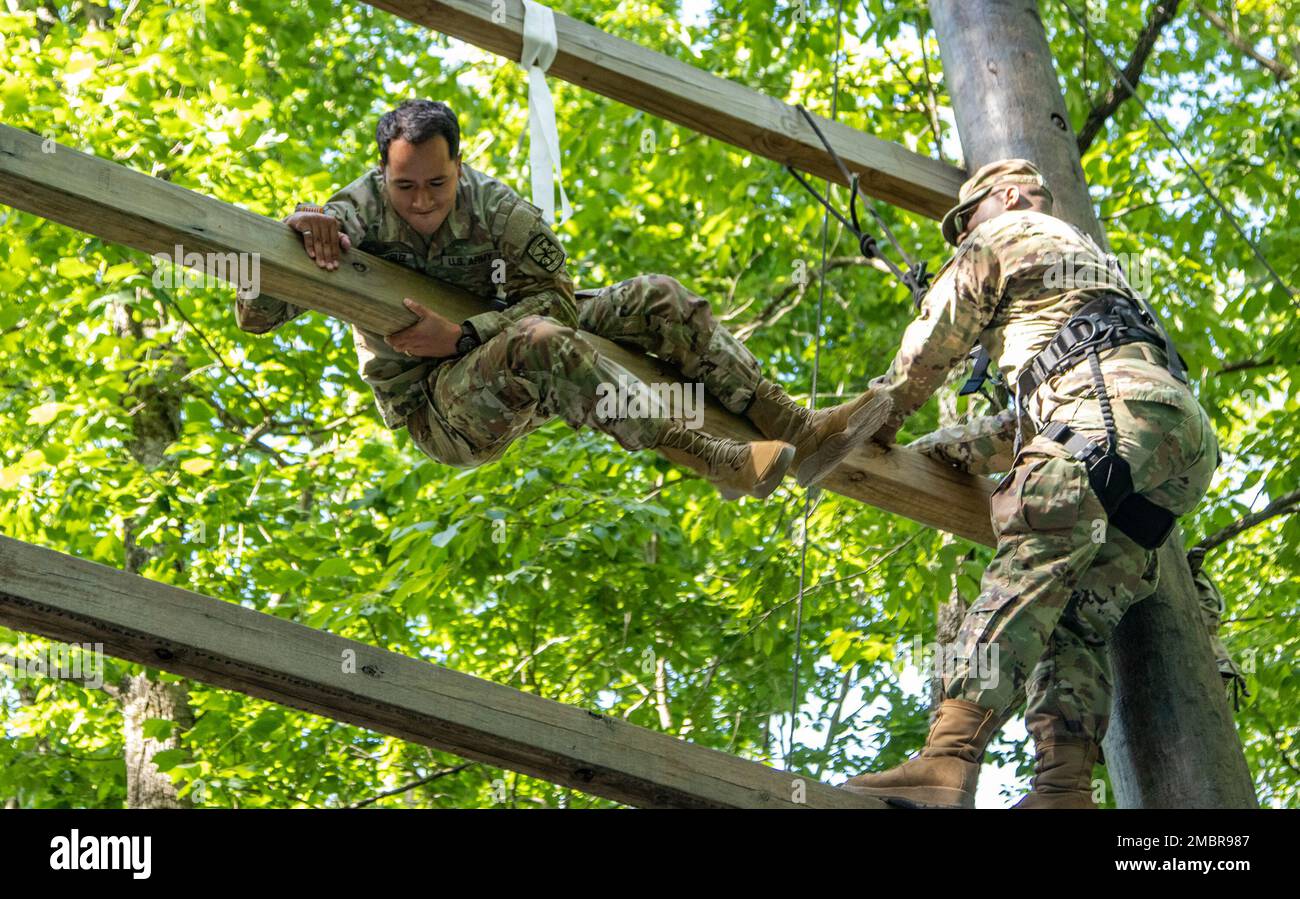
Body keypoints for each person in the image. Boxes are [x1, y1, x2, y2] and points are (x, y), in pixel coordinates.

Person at [236, 99, 890, 498]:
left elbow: (558, 299)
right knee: (536, 342)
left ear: (459, 168)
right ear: (384, 175)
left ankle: (794, 427)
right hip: (440, 409)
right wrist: (289, 238)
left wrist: (465, 333)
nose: (423, 201)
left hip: (505, 347)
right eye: (406, 188)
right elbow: (256, 317)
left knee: (656, 298)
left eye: (437, 182)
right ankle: (712, 459)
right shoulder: (354, 213)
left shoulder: (496, 210)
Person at [840, 158, 1219, 808]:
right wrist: (947, 446)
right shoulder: (1082, 281)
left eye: (967, 221)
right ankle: (1063, 791)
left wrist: (881, 415)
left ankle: (947, 759)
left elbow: (938, 332)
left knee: (1033, 535)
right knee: (1074, 614)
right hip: (1161, 430)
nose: (962, 238)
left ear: (1012, 194)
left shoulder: (1012, 229)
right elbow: (1034, 419)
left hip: (1108, 409)